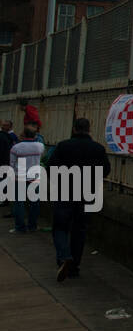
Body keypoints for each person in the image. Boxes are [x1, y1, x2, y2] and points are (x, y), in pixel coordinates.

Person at [48, 117, 111, 282]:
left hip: (65, 192)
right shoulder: (98, 148)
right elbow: (105, 170)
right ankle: (74, 267)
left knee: (60, 228)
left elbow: (50, 167)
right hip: (87, 194)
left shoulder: (63, 146)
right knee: (79, 230)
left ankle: (64, 257)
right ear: (89, 129)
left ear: (74, 129)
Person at [8, 126, 43, 233]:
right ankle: (32, 226)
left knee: (19, 202)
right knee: (34, 202)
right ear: (35, 135)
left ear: (23, 135)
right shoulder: (40, 146)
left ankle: (20, 227)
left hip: (20, 176)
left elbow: (12, 164)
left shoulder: (16, 148)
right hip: (34, 175)